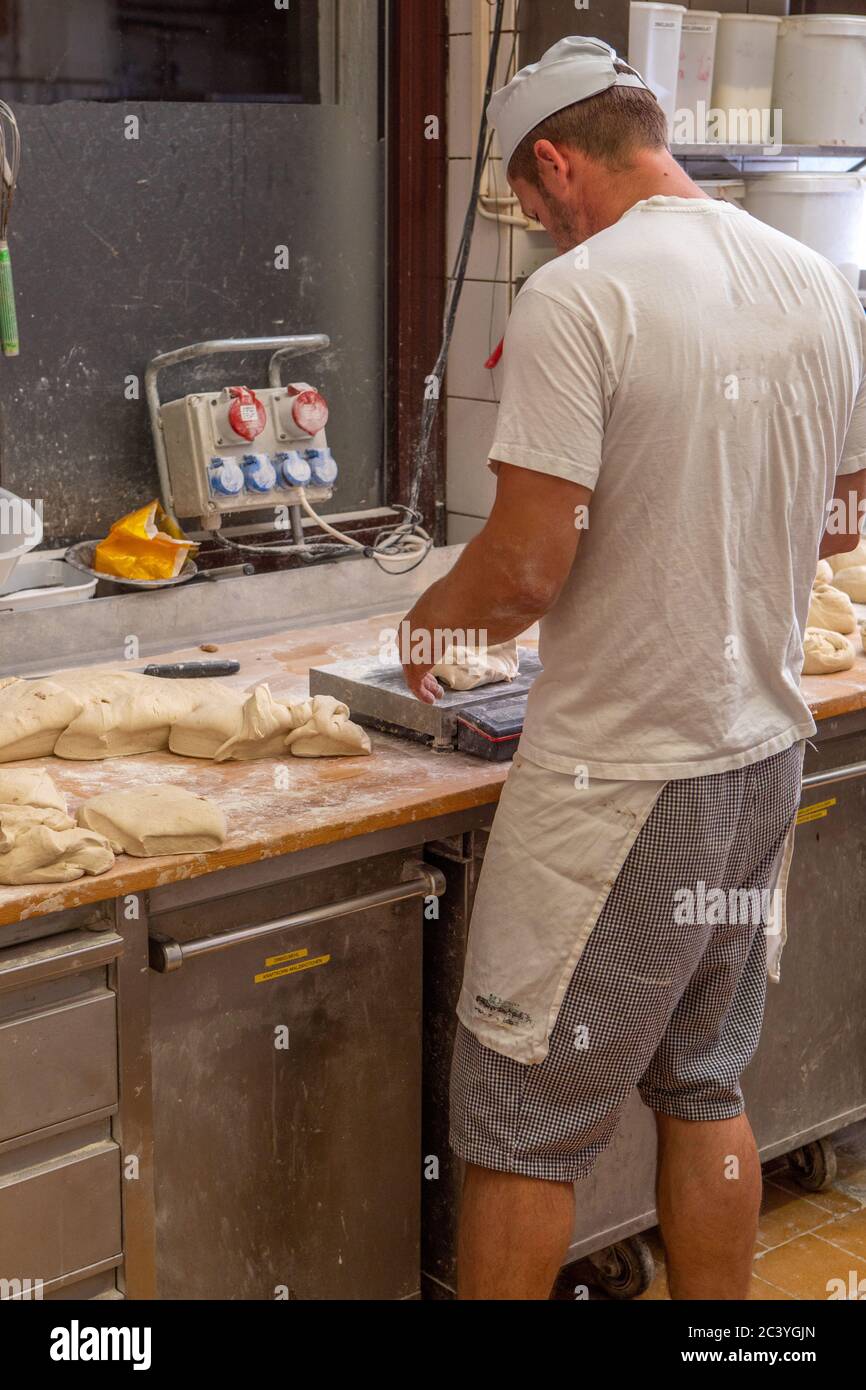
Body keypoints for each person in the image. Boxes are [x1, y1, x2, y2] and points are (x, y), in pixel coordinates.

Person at [400, 36, 866, 1300]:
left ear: (556, 163)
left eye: (525, 202)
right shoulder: (812, 279)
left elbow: (520, 573)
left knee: (515, 1123)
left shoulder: (580, 295)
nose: (535, 230)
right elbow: (838, 523)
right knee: (702, 1082)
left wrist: (426, 633)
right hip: (761, 755)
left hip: (622, 783)